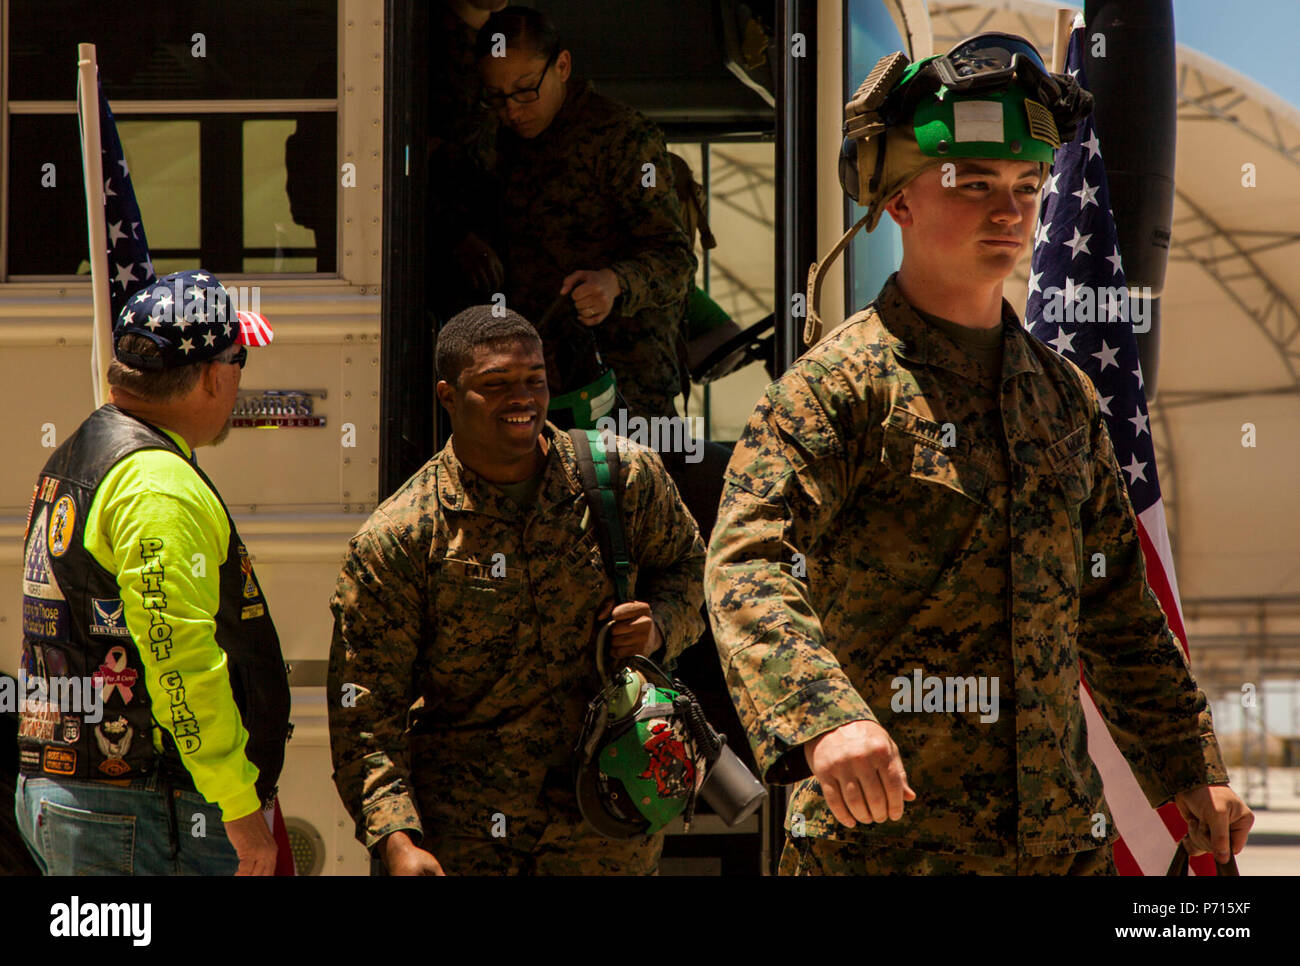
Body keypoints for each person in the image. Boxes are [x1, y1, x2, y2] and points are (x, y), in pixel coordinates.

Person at [705, 34, 1254, 874]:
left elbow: (1115, 607)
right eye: (972, 185)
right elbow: (746, 564)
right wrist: (824, 719)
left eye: (1027, 186)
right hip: (886, 852)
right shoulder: (835, 390)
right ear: (897, 202)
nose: (1009, 210)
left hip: (1058, 846)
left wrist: (1189, 767)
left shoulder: (1064, 396)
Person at [327, 305, 706, 875]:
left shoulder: (621, 480)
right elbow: (364, 712)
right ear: (448, 395)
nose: (522, 398)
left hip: (610, 830)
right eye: (496, 384)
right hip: (471, 843)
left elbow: (694, 572)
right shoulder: (401, 538)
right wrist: (398, 841)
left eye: (534, 380)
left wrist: (659, 628)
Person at [13, 270, 291, 876]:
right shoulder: (156, 483)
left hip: (91, 799)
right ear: (216, 375)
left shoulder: (87, 449)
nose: (241, 381)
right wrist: (242, 814)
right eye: (239, 363)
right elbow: (181, 661)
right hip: (146, 812)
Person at [476, 7, 696, 422]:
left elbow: (675, 260)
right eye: (496, 96)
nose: (513, 110)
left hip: (625, 389)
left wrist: (614, 283)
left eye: (525, 90)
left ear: (562, 66)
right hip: (531, 392)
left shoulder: (624, 139)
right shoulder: (494, 143)